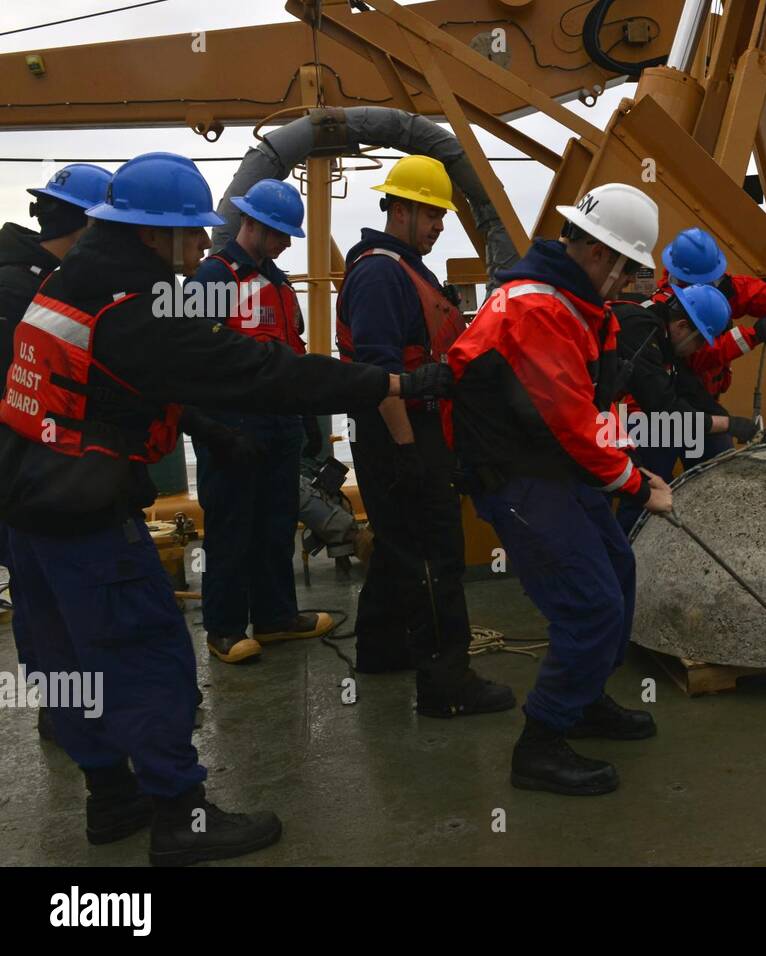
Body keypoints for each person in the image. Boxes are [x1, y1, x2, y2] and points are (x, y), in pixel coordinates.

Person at [0, 151, 447, 865]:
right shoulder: (135, 306)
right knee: (150, 659)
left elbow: (129, 384)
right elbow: (256, 370)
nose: (199, 248)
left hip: (27, 510)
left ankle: (111, 799)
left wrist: (208, 428)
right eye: (190, 235)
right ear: (157, 234)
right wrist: (387, 380)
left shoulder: (71, 282)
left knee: (64, 665)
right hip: (87, 515)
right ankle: (181, 816)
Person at [445, 182, 674, 796]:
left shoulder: (571, 301)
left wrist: (624, 466)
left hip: (552, 468)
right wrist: (634, 483)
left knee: (617, 568)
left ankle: (585, 699)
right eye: (627, 268)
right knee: (590, 603)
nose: (628, 284)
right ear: (601, 254)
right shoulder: (539, 308)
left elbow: (583, 410)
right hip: (521, 477)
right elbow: (567, 418)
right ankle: (540, 744)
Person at [336, 155, 513, 717]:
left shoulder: (402, 269)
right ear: (404, 210)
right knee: (437, 557)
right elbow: (378, 372)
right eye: (433, 214)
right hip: (401, 436)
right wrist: (410, 450)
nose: (440, 225)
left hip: (409, 433)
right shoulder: (382, 274)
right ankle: (446, 684)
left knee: (398, 547)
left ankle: (382, 649)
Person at [185, 178, 331, 664]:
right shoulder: (215, 278)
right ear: (253, 224)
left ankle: (275, 617)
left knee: (274, 524)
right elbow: (191, 362)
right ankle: (224, 628)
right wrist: (214, 430)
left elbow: (293, 354)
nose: (286, 243)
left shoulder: (278, 283)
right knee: (230, 529)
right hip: (234, 427)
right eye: (279, 233)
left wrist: (307, 417)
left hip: (279, 424)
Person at [0, 162, 111, 739]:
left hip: (20, 467)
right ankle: (66, 713)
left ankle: (60, 708)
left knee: (35, 592)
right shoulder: (29, 289)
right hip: (27, 467)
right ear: (90, 228)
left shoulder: (21, 274)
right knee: (47, 590)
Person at [611, 281, 751, 533]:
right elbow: (665, 408)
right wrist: (730, 424)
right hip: (578, 423)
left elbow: (689, 389)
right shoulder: (639, 332)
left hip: (605, 418)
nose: (695, 352)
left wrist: (729, 421)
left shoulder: (662, 336)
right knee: (657, 445)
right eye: (698, 344)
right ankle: (629, 543)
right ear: (682, 327)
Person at [649, 227, 766, 405]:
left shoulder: (723, 287)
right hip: (680, 401)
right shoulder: (665, 309)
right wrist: (753, 335)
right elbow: (698, 357)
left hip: (706, 396)